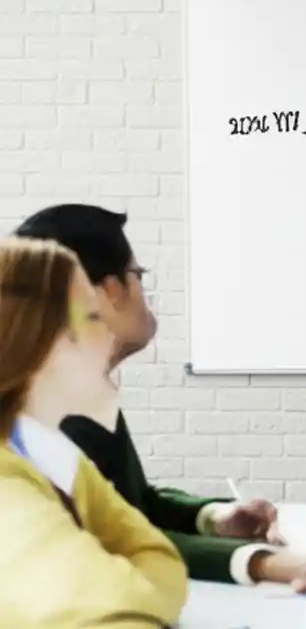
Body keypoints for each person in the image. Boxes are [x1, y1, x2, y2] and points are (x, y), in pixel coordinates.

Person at [15, 204, 306, 592]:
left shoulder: (69, 384)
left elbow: (131, 502)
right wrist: (266, 562)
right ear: (109, 290)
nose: (144, 290)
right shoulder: (49, 406)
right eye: (137, 275)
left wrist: (214, 517)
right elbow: (105, 537)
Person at [0, 237, 188, 627]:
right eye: (92, 318)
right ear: (38, 339)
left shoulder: (55, 455)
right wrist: (141, 593)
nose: (109, 335)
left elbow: (159, 556)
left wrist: (140, 592)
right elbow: (114, 611)